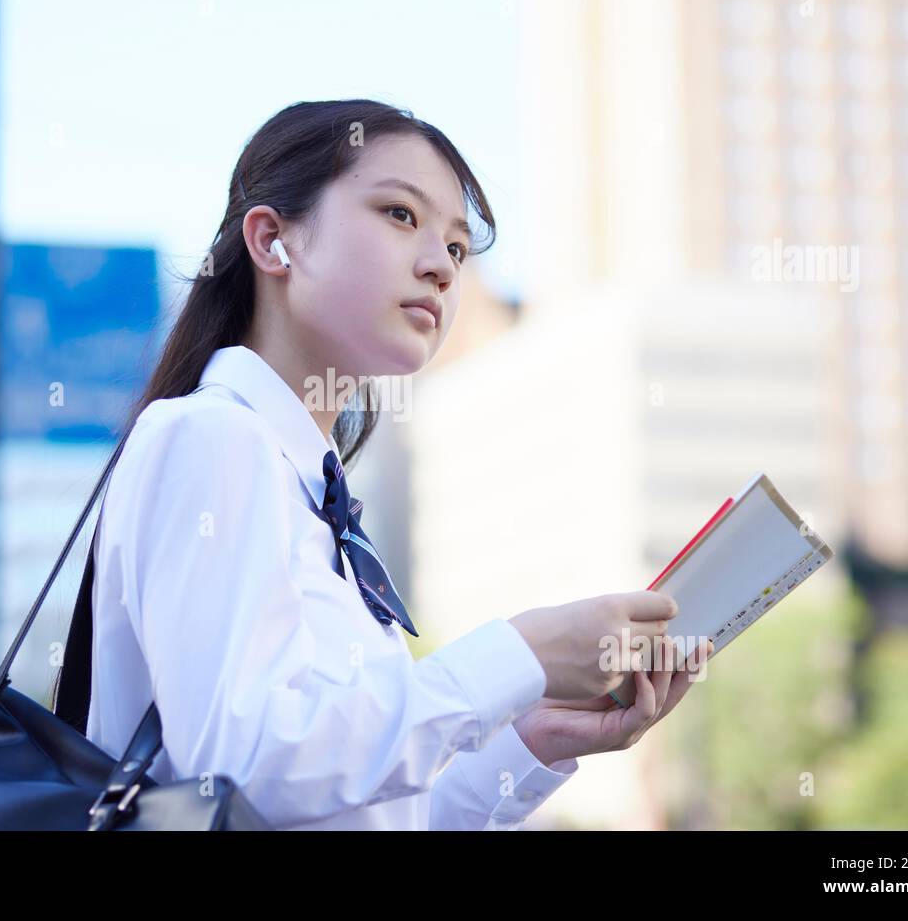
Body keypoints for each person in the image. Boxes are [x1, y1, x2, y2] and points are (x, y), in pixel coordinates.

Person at [85, 98, 711, 830]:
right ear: (272, 240)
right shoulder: (210, 437)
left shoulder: (313, 501)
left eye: (455, 246)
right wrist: (520, 652)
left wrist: (532, 741)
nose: (442, 269)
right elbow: (235, 765)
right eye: (401, 214)